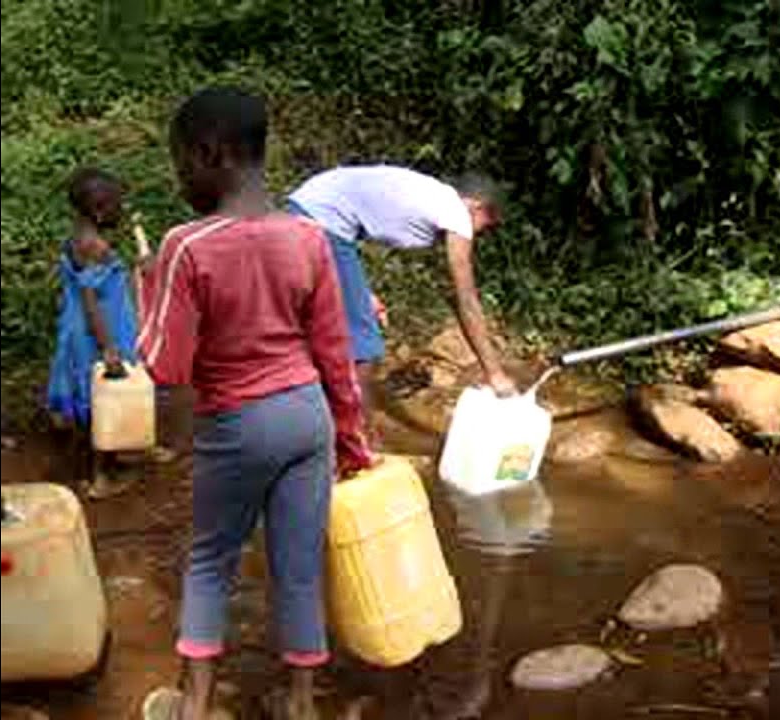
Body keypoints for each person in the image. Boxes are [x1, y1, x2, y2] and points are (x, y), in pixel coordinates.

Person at [138, 87, 374, 720]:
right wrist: (353, 442)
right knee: (298, 566)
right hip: (307, 418)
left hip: (237, 423)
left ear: (211, 155)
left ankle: (195, 701)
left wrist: (148, 289)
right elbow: (335, 355)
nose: (180, 176)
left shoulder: (186, 245)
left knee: (211, 558)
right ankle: (301, 703)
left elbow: (164, 363)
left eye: (181, 162)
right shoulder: (308, 238)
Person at [285, 165, 516, 436]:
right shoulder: (456, 212)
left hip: (301, 211)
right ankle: (355, 446)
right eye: (487, 225)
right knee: (364, 350)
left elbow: (349, 234)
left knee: (312, 336)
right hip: (322, 224)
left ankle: (307, 431)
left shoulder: (431, 196)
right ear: (477, 207)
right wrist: (495, 373)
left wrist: (363, 295)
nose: (479, 234)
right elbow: (466, 299)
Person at [46, 168, 173, 500]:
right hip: (98, 333)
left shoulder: (80, 236)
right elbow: (91, 299)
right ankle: (103, 475)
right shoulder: (95, 247)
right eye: (118, 205)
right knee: (102, 399)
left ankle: (137, 441)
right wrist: (108, 347)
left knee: (114, 392)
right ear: (99, 212)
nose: (123, 210)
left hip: (86, 329)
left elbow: (90, 287)